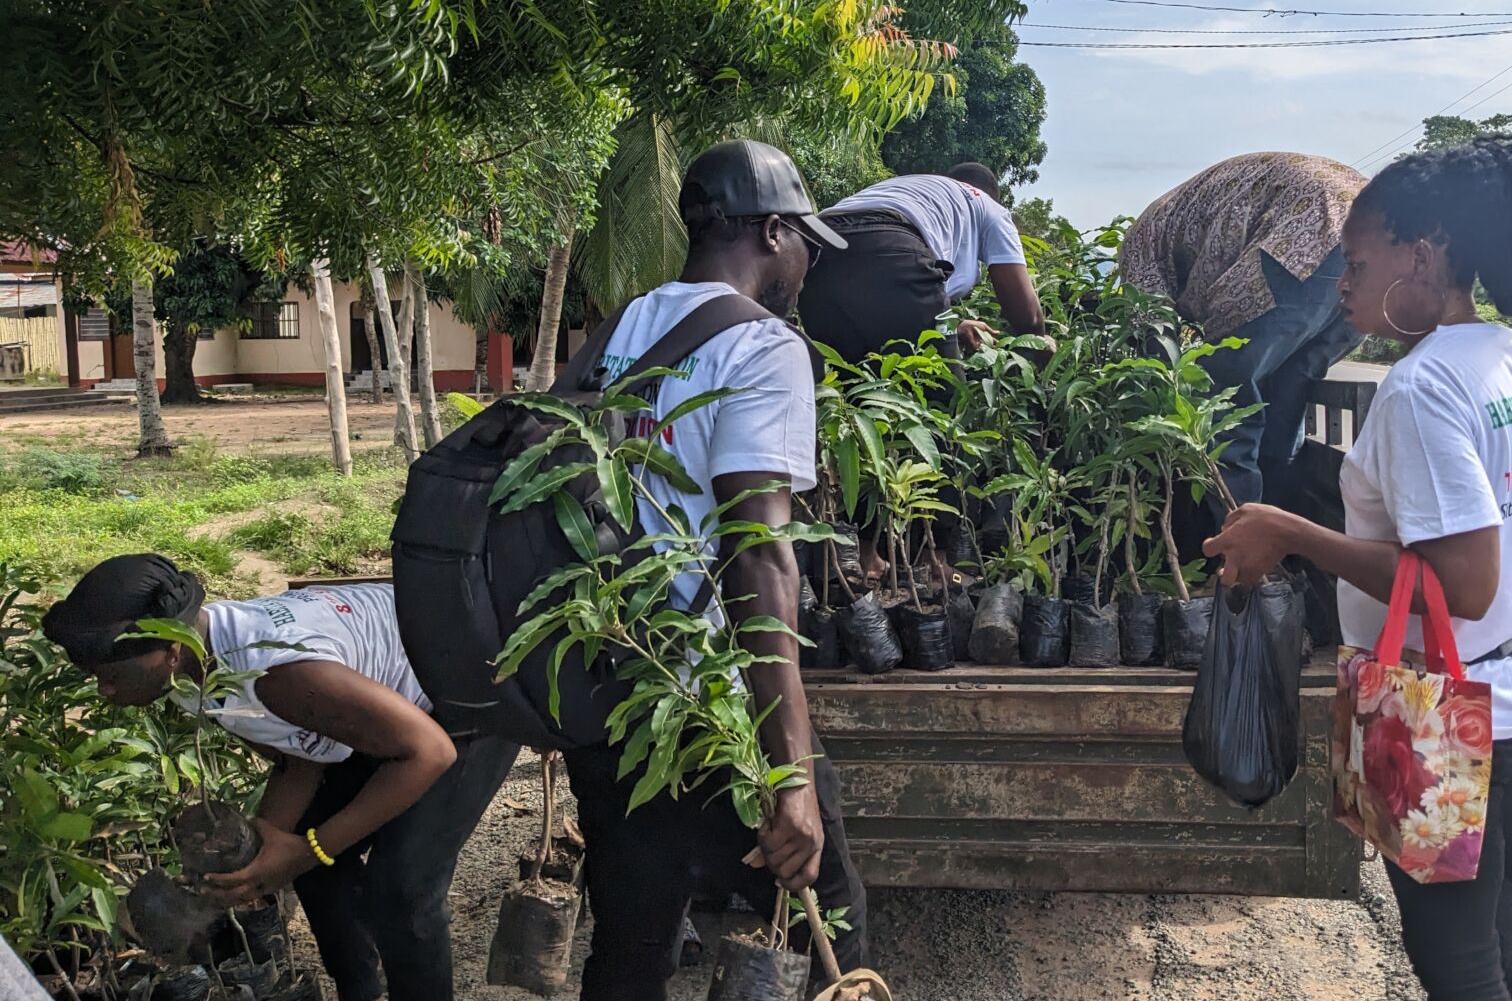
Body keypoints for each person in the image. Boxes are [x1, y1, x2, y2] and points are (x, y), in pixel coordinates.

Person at [1204, 136, 1512, 1001]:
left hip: (1448, 716)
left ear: (1423, 255)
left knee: (1455, 964)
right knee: (1489, 931)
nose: (1340, 284)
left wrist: (1290, 532)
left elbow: (1460, 586)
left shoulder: (1424, 386)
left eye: (1357, 259)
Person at [563, 139, 868, 1001]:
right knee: (831, 916)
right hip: (699, 699)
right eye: (805, 239)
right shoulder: (763, 347)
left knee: (630, 944)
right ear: (774, 233)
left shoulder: (621, 327)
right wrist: (789, 775)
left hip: (607, 682)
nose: (807, 261)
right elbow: (760, 556)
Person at [42, 556, 517, 1001]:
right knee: (314, 868)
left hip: (465, 695)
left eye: (110, 674)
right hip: (379, 706)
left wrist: (308, 850)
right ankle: (361, 991)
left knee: (401, 889)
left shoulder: (274, 671)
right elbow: (301, 750)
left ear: (168, 649)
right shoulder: (192, 666)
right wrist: (271, 842)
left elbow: (428, 752)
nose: (103, 690)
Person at [1118, 151, 1367, 517]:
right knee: (1289, 384)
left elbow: (1156, 341)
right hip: (1375, 224)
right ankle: (1281, 524)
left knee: (1225, 390)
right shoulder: (1172, 215)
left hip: (1304, 227)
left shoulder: (1136, 246)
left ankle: (1237, 545)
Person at [797, 163, 1047, 363]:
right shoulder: (989, 206)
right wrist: (1041, 345)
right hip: (890, 241)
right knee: (944, 400)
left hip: (815, 253)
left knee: (853, 385)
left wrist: (956, 326)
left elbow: (891, 298)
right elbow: (1026, 315)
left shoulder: (917, 188)